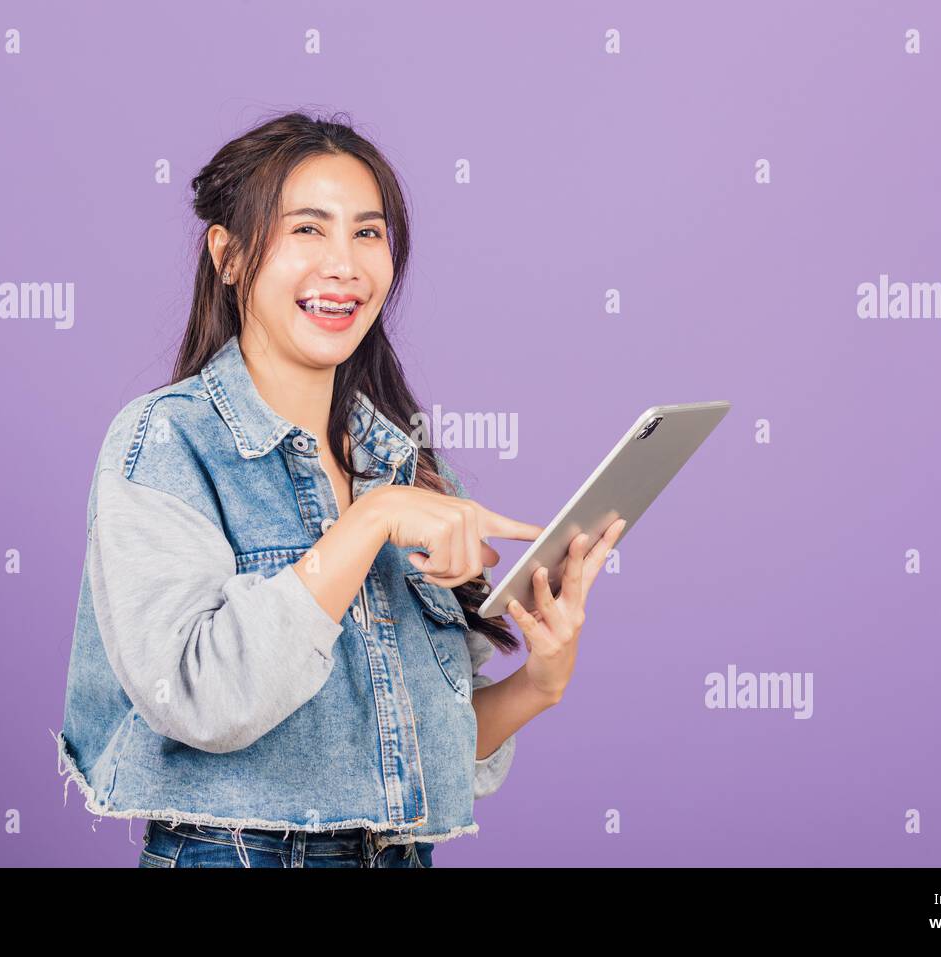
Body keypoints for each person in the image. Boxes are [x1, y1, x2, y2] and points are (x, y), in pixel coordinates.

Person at [54, 110, 626, 868]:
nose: (345, 264)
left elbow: (402, 754)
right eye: (307, 230)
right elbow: (195, 693)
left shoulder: (401, 461)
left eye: (368, 232)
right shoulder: (167, 439)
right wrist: (369, 523)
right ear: (227, 256)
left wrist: (540, 683)